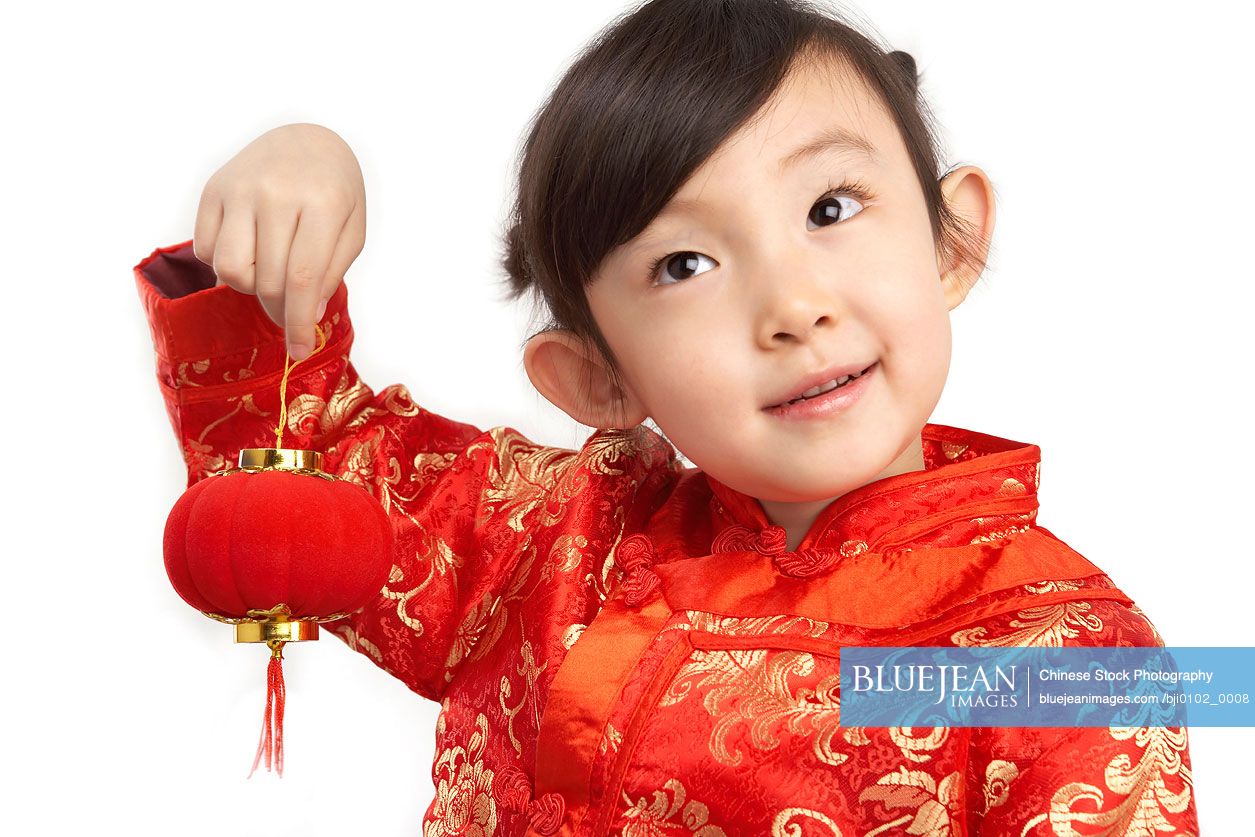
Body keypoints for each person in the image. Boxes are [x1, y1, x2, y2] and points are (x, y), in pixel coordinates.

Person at [133, 0, 1199, 833]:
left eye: (830, 208)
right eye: (683, 263)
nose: (790, 307)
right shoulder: (542, 538)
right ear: (596, 379)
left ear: (952, 239)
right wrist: (295, 180)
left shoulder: (1059, 650)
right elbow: (290, 478)